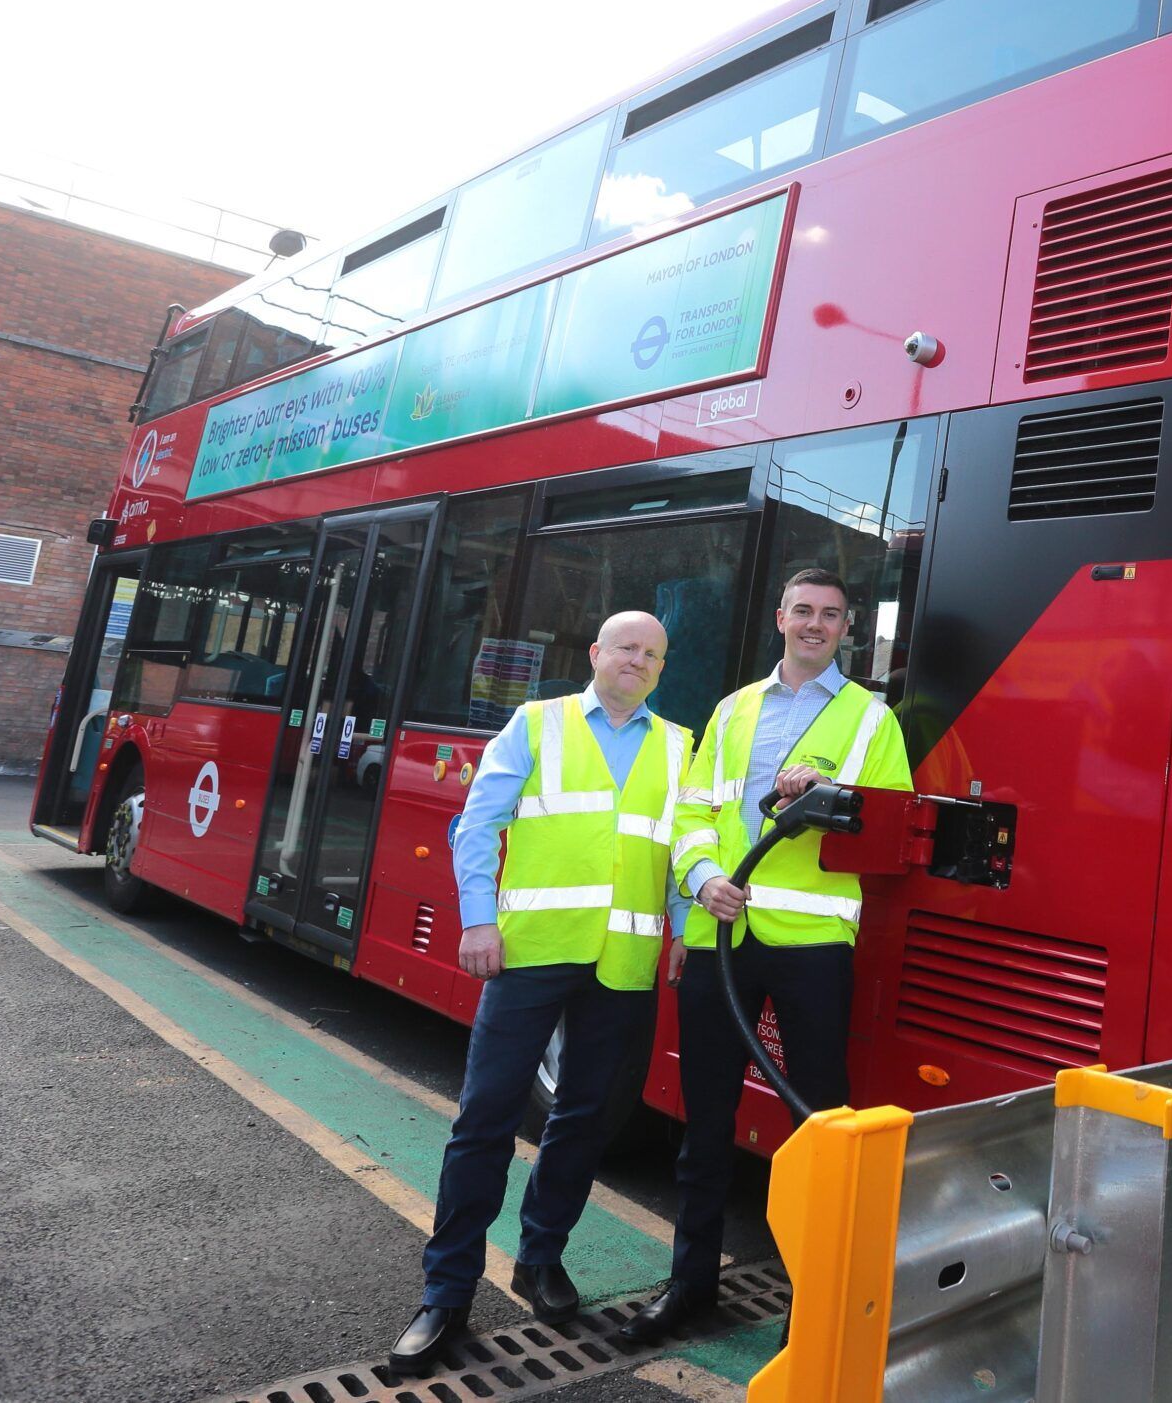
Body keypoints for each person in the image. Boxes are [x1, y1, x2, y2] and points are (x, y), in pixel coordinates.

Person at [387, 610, 707, 1378]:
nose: (638, 660)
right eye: (626, 646)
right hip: (528, 953)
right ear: (595, 652)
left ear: (663, 669)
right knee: (486, 1116)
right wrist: (476, 919)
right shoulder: (536, 722)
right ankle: (447, 1293)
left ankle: (540, 1259)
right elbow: (477, 824)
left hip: (623, 963)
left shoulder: (678, 744)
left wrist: (687, 927)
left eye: (653, 653)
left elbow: (681, 845)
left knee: (587, 1120)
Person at [618, 568, 912, 1345]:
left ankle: (817, 1304)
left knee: (818, 1126)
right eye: (803, 610)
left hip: (813, 949)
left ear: (848, 629)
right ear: (780, 616)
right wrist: (703, 877)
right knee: (704, 1121)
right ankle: (690, 1287)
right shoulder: (734, 709)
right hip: (722, 938)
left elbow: (891, 833)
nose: (815, 624)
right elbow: (694, 809)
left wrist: (834, 791)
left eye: (831, 615)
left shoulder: (871, 721)